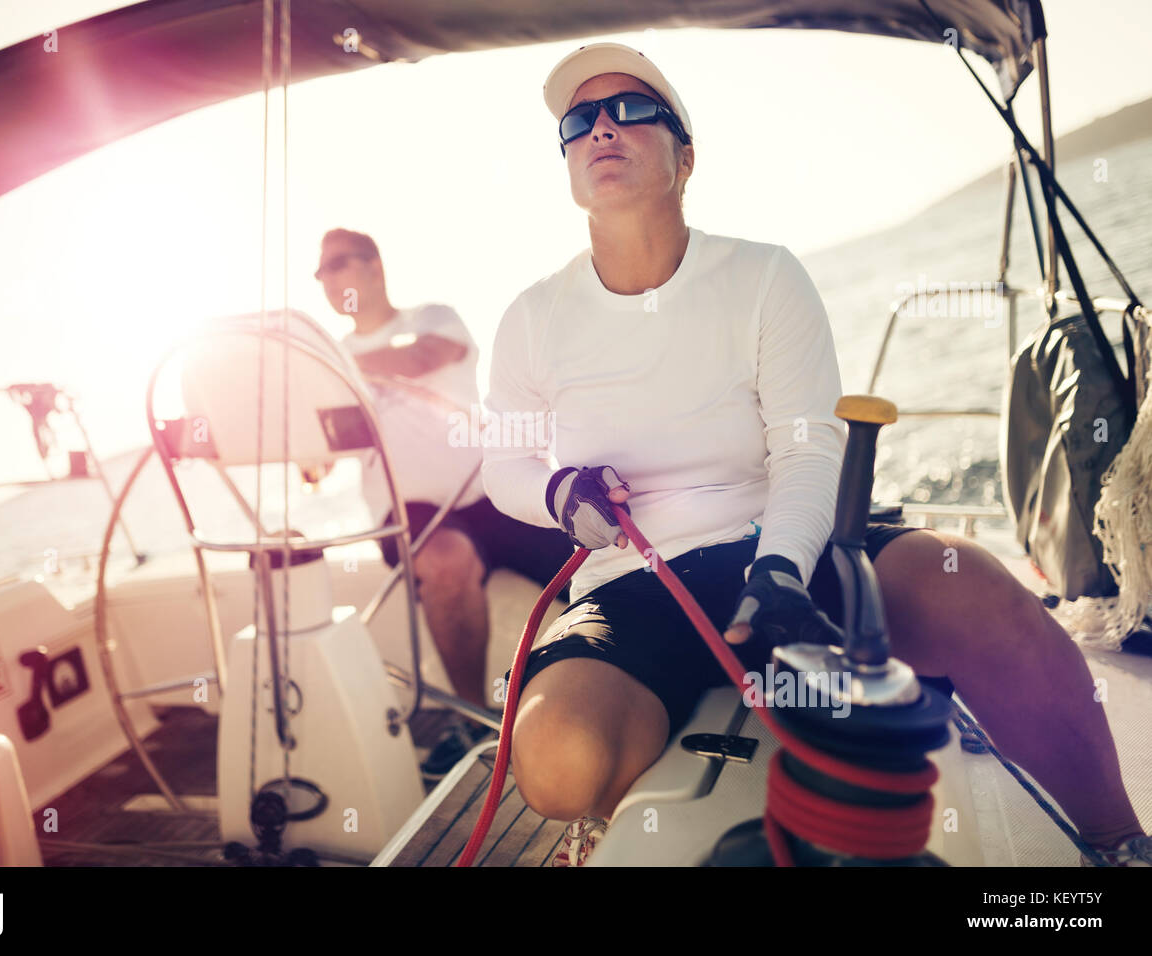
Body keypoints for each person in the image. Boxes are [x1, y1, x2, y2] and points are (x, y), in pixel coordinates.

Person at [481, 42, 1150, 867]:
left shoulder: (764, 276)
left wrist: (778, 571)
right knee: (552, 759)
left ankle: (1119, 846)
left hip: (788, 551)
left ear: (685, 156)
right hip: (629, 588)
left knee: (980, 595)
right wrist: (556, 495)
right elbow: (499, 464)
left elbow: (805, 452)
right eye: (579, 121)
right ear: (569, 163)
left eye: (630, 110)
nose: (601, 129)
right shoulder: (531, 317)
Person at [314, 228, 575, 777]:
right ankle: (476, 720)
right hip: (410, 515)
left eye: (336, 264)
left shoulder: (430, 319)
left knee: (594, 552)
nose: (326, 279)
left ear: (372, 266)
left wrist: (326, 371)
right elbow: (314, 460)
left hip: (490, 491)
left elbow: (426, 357)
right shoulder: (327, 363)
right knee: (446, 560)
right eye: (320, 271)